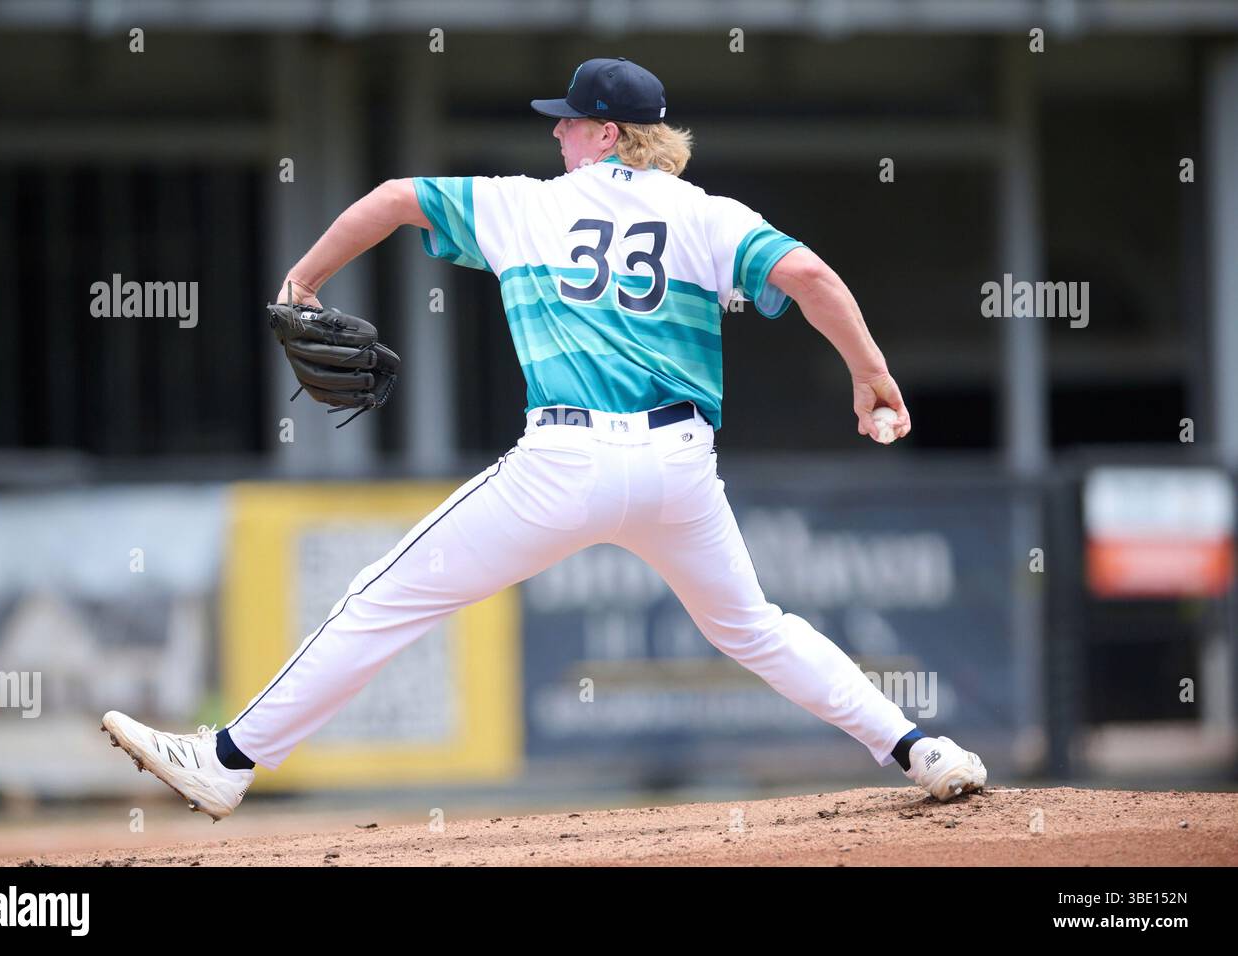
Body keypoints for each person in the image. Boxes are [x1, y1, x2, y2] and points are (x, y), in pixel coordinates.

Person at [102, 57, 985, 821]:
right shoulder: (709, 214)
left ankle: (224, 764)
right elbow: (810, 274)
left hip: (563, 462)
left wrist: (302, 282)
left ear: (606, 133)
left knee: (381, 596)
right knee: (755, 628)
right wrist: (869, 373)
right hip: (679, 467)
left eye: (568, 125)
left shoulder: (526, 207)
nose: (557, 138)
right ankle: (919, 749)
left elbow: (392, 198)